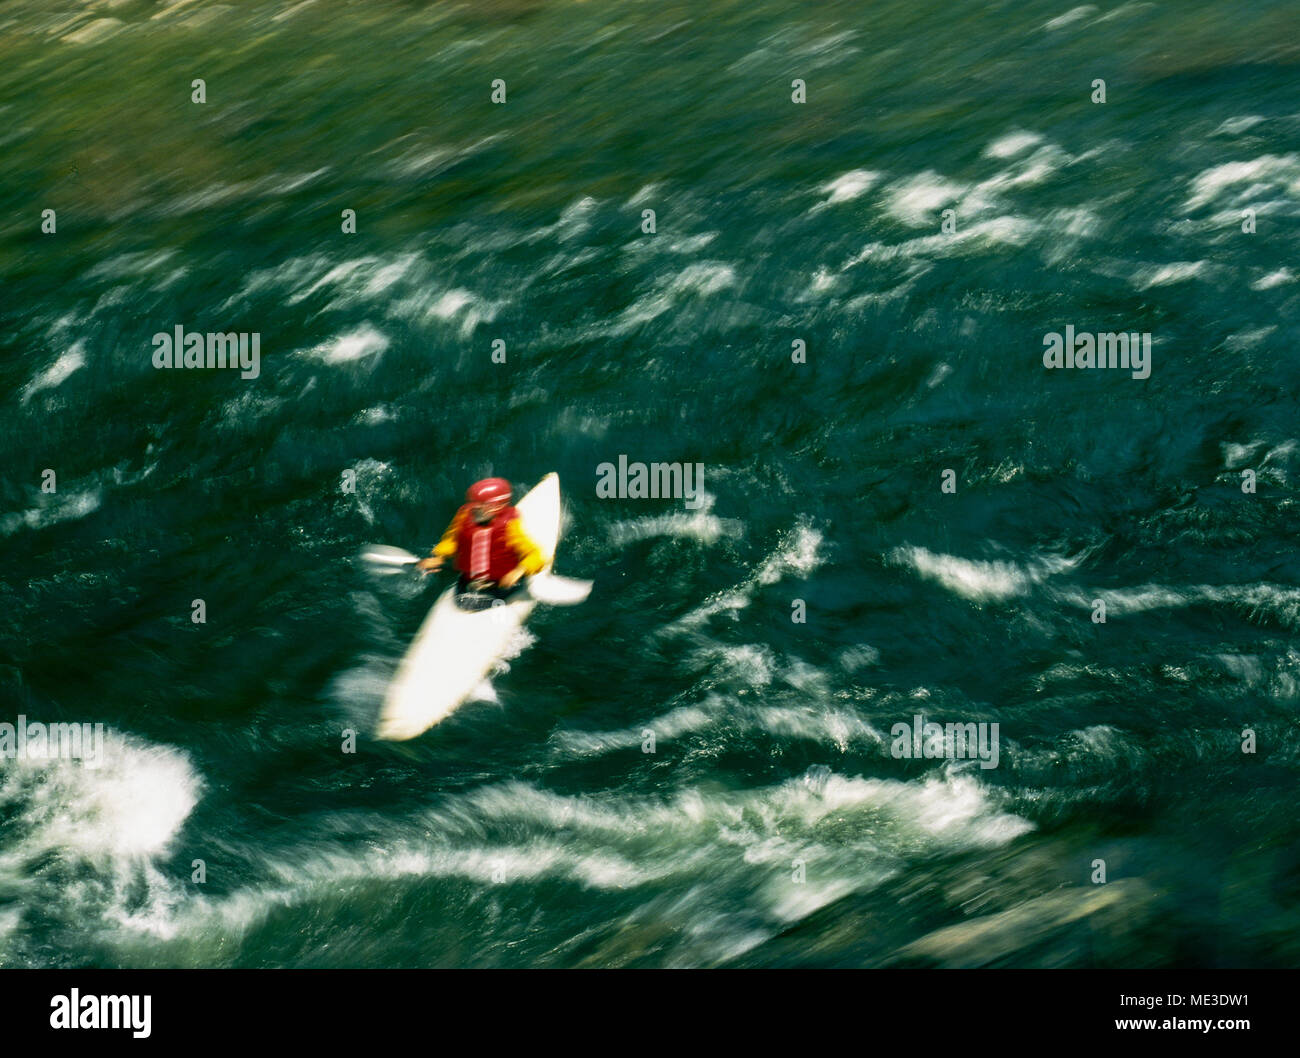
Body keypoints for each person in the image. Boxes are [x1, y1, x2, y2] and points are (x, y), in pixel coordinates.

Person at [417, 478, 545, 606]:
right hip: (469, 580)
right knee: (464, 599)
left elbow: (536, 555)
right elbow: (452, 540)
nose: (473, 509)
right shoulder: (465, 515)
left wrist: (518, 571)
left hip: (502, 584)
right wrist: (440, 557)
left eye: (480, 506)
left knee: (475, 603)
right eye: (473, 504)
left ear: (497, 506)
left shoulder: (510, 528)